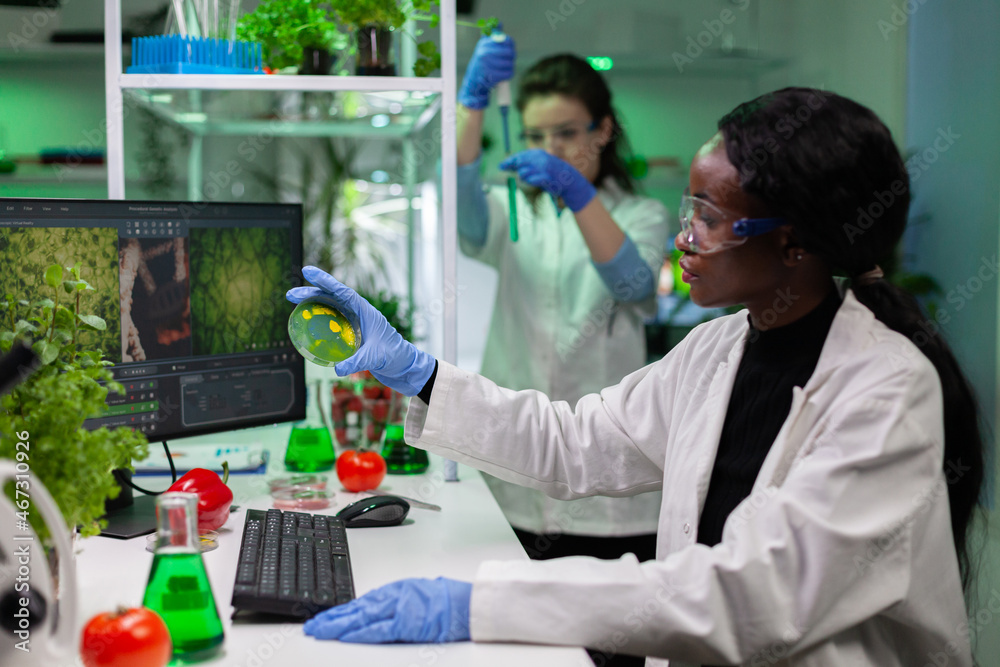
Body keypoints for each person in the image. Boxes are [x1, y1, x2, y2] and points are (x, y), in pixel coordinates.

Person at [288, 88, 986, 666]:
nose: (684, 237)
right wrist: (417, 372)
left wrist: (482, 603)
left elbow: (752, 598)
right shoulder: (715, 351)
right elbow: (573, 443)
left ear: (794, 241)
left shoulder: (887, 391)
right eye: (688, 209)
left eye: (709, 217)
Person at [456, 35, 671, 565]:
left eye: (567, 133)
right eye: (534, 135)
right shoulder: (511, 211)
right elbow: (459, 192)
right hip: (515, 482)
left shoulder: (640, 214)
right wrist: (472, 104)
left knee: (609, 638)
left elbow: (633, 286)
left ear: (603, 129)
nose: (551, 149)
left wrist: (577, 193)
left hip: (611, 494)